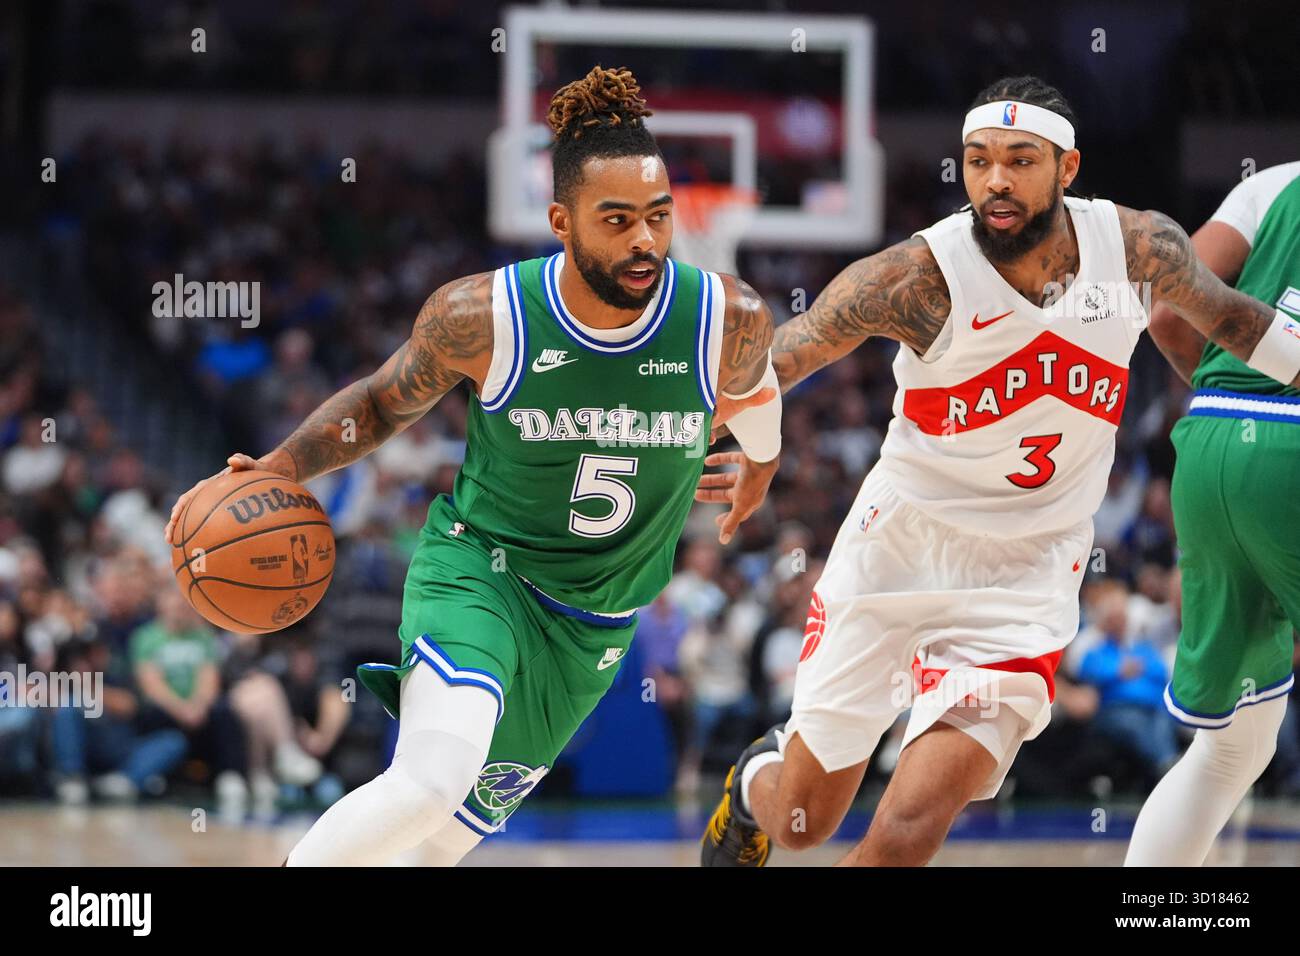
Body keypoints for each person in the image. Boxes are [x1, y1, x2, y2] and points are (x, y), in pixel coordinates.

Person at [166, 65, 781, 866]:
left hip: (594, 624)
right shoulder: (485, 315)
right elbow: (384, 402)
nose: (644, 241)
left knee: (432, 851)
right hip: (480, 574)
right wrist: (283, 465)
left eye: (659, 218)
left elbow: (759, 389)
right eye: (618, 219)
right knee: (430, 781)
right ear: (562, 220)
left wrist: (761, 465)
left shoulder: (723, 318)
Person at [699, 76, 1300, 867]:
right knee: (803, 823)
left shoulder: (1137, 246)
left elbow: (1233, 318)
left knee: (907, 835)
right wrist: (731, 443)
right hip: (900, 550)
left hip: (1025, 575)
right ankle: (755, 782)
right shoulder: (920, 276)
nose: (997, 181)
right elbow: (786, 353)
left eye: (1020, 160)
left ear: (1067, 167)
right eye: (978, 161)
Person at [1126, 161, 1300, 866]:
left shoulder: (1277, 180)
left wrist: (1229, 392)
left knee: (1233, 749)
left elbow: (1165, 308)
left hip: (1210, 439)